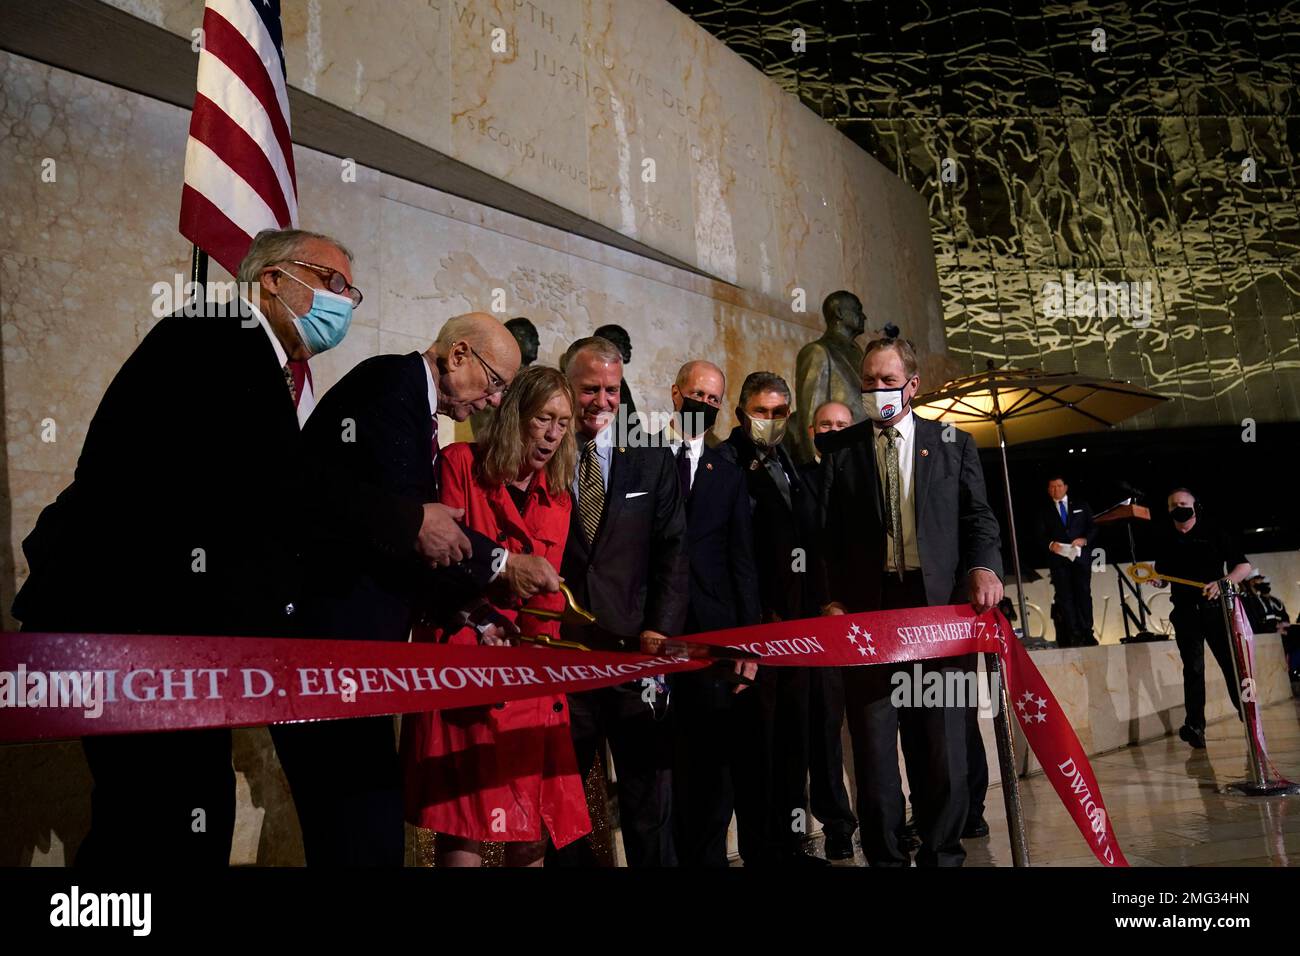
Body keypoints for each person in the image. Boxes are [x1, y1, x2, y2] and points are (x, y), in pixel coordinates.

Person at [11, 227, 363, 866]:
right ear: (273, 278)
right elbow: (260, 496)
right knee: (160, 823)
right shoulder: (218, 333)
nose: (343, 302)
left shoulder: (239, 347)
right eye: (333, 282)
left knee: (165, 816)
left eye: (350, 291)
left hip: (160, 634)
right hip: (137, 628)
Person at [279, 312, 563, 865]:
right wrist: (502, 563)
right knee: (361, 836)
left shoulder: (415, 403)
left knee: (365, 833)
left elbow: (400, 533)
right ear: (458, 355)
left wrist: (476, 613)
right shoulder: (390, 384)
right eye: (497, 383)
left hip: (355, 660)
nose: (496, 401)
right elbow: (411, 531)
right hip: (328, 653)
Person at [817, 336, 1003, 868]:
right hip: (870, 617)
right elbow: (826, 537)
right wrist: (830, 599)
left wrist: (984, 568)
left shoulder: (953, 444)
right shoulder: (840, 451)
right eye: (868, 383)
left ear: (913, 385)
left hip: (938, 610)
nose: (877, 391)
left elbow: (978, 518)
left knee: (942, 747)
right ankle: (886, 859)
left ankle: (943, 854)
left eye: (887, 381)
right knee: (874, 757)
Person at [402, 366, 590, 866]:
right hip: (469, 664)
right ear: (515, 416)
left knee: (530, 827)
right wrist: (482, 610)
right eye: (543, 419)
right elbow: (439, 561)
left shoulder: (561, 496)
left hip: (533, 671)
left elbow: (549, 591)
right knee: (461, 824)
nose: (553, 434)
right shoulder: (461, 462)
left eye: (564, 423)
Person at [550, 336, 688, 867]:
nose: (602, 401)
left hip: (637, 658)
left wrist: (662, 630)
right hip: (566, 660)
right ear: (566, 386)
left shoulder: (651, 459)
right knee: (564, 805)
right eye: (589, 389)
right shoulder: (544, 451)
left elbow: (674, 552)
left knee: (647, 800)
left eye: (611, 389)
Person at [660, 361, 761, 867]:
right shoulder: (645, 456)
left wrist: (748, 643)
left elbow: (743, 561)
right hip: (657, 634)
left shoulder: (729, 470)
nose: (706, 403)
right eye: (698, 393)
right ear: (676, 394)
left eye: (715, 398)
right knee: (664, 762)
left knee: (713, 762)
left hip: (716, 640)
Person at [724, 372, 827, 866]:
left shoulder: (792, 461)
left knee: (794, 741)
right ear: (742, 411)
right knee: (757, 750)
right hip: (757, 628)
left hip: (800, 629)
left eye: (779, 412)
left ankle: (792, 845)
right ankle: (763, 854)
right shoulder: (727, 464)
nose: (769, 421)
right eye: (761, 412)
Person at [799, 399, 858, 859]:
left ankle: (886, 819)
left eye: (841, 425)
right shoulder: (798, 477)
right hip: (818, 624)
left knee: (876, 728)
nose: (833, 431)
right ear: (811, 429)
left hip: (867, 625)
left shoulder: (867, 477)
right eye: (825, 425)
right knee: (823, 729)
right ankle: (836, 822)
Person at [1149, 488, 1252, 749]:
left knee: (1230, 665)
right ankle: (1195, 726)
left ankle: (1247, 716)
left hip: (1215, 611)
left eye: (1183, 503)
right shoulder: (1165, 538)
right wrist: (1158, 579)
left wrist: (1224, 582)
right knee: (1193, 669)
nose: (1178, 507)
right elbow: (1163, 575)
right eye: (1173, 504)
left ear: (1195, 506)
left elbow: (1243, 566)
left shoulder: (1214, 531)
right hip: (1184, 613)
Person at [793, 292, 868, 463]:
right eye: (857, 310)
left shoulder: (859, 353)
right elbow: (808, 418)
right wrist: (815, 467)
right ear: (839, 312)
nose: (863, 316)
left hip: (863, 458)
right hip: (835, 464)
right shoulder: (818, 352)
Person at [1035, 474, 1099, 647]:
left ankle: (1088, 632)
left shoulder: (1081, 505)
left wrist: (1084, 539)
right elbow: (1039, 535)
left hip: (1080, 558)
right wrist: (1050, 545)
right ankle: (1074, 633)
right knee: (1065, 598)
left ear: (1066, 487)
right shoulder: (1044, 511)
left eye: (1059, 486)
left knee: (1083, 594)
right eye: (1052, 487)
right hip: (1059, 561)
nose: (1056, 489)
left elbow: (1093, 527)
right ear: (1049, 490)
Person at [592, 323, 638, 424]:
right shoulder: (600, 378)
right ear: (608, 345)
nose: (630, 347)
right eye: (624, 341)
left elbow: (631, 427)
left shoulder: (618, 378)